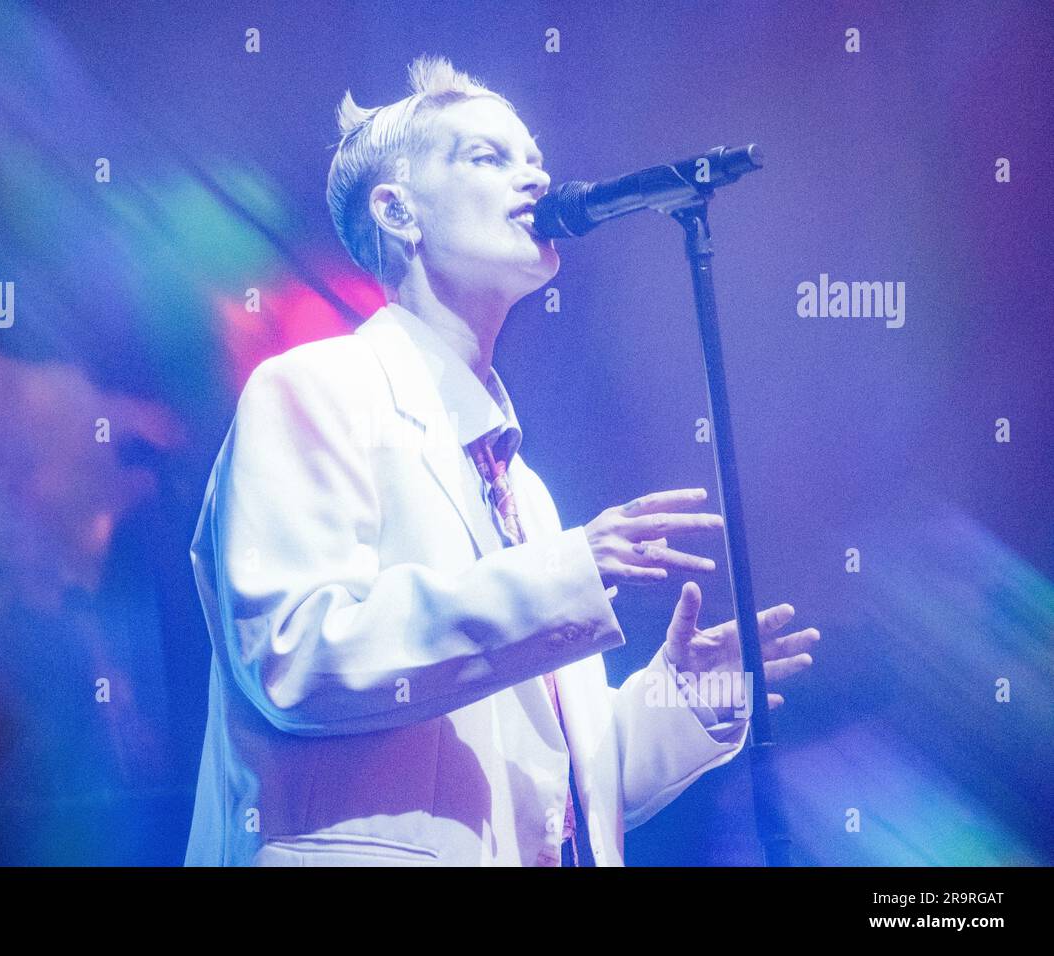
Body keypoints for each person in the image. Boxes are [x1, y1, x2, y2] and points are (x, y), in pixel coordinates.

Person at [184, 54, 818, 866]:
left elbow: (545, 798)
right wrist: (562, 575)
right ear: (398, 210)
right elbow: (296, 657)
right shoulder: (313, 388)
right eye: (489, 158)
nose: (535, 179)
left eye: (534, 158)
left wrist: (681, 701)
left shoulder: (524, 490)